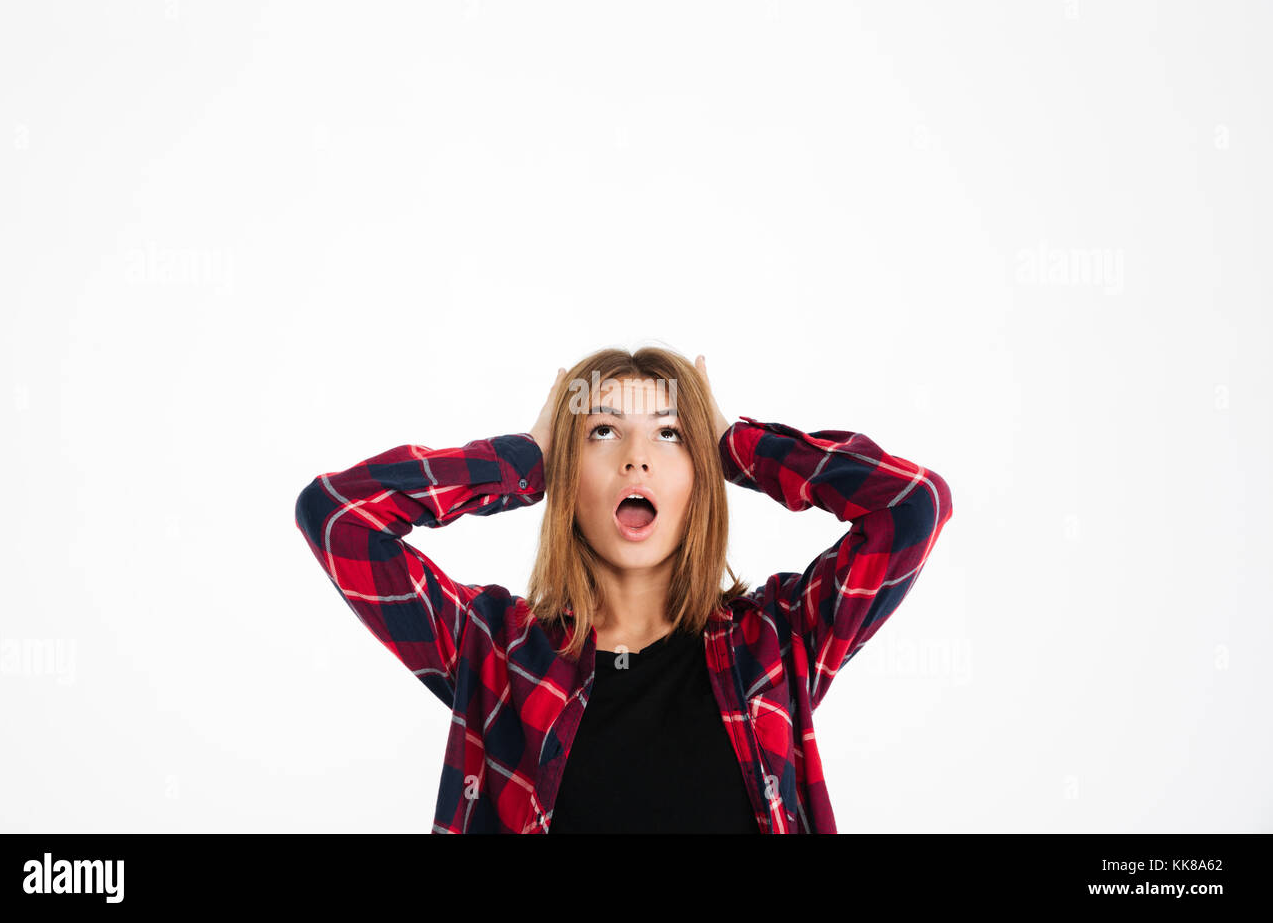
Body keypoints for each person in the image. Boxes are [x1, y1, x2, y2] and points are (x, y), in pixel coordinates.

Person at [293, 347, 953, 833]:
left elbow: (910, 506)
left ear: (700, 479)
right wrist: (526, 456)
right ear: (567, 479)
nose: (636, 457)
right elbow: (341, 518)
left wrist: (735, 445)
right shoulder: (493, 649)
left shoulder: (777, 645)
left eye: (670, 435)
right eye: (602, 432)